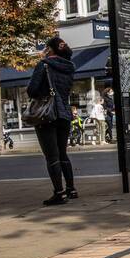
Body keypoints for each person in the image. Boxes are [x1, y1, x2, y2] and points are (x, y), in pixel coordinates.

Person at [27, 37, 78, 206]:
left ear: (50, 49)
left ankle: (59, 193)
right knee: (63, 153)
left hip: (47, 114)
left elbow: (32, 90)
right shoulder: (70, 67)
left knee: (52, 156)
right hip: (64, 113)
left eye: (46, 48)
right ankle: (71, 189)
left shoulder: (44, 65)